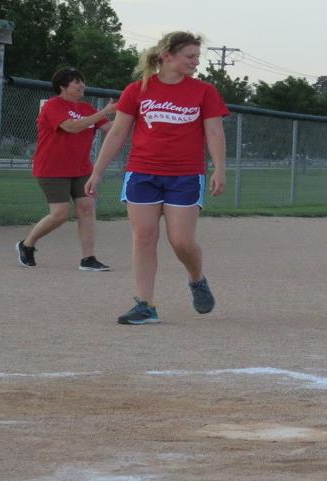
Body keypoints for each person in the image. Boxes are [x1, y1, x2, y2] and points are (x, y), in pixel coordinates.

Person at [86, 31, 227, 325]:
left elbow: (214, 131)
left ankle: (196, 278)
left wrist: (219, 168)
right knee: (144, 235)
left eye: (197, 57)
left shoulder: (204, 91)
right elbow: (117, 133)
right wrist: (97, 171)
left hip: (185, 175)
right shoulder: (138, 89)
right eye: (190, 56)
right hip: (142, 172)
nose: (195, 62)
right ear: (167, 56)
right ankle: (146, 305)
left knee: (181, 241)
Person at [15, 67, 115, 271]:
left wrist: (135, 117)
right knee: (60, 214)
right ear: (62, 86)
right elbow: (71, 127)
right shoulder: (53, 106)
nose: (81, 85)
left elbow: (110, 129)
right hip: (52, 168)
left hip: (81, 168)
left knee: (87, 209)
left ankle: (88, 259)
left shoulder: (87, 108)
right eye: (76, 82)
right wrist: (104, 112)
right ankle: (26, 245)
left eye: (82, 81)